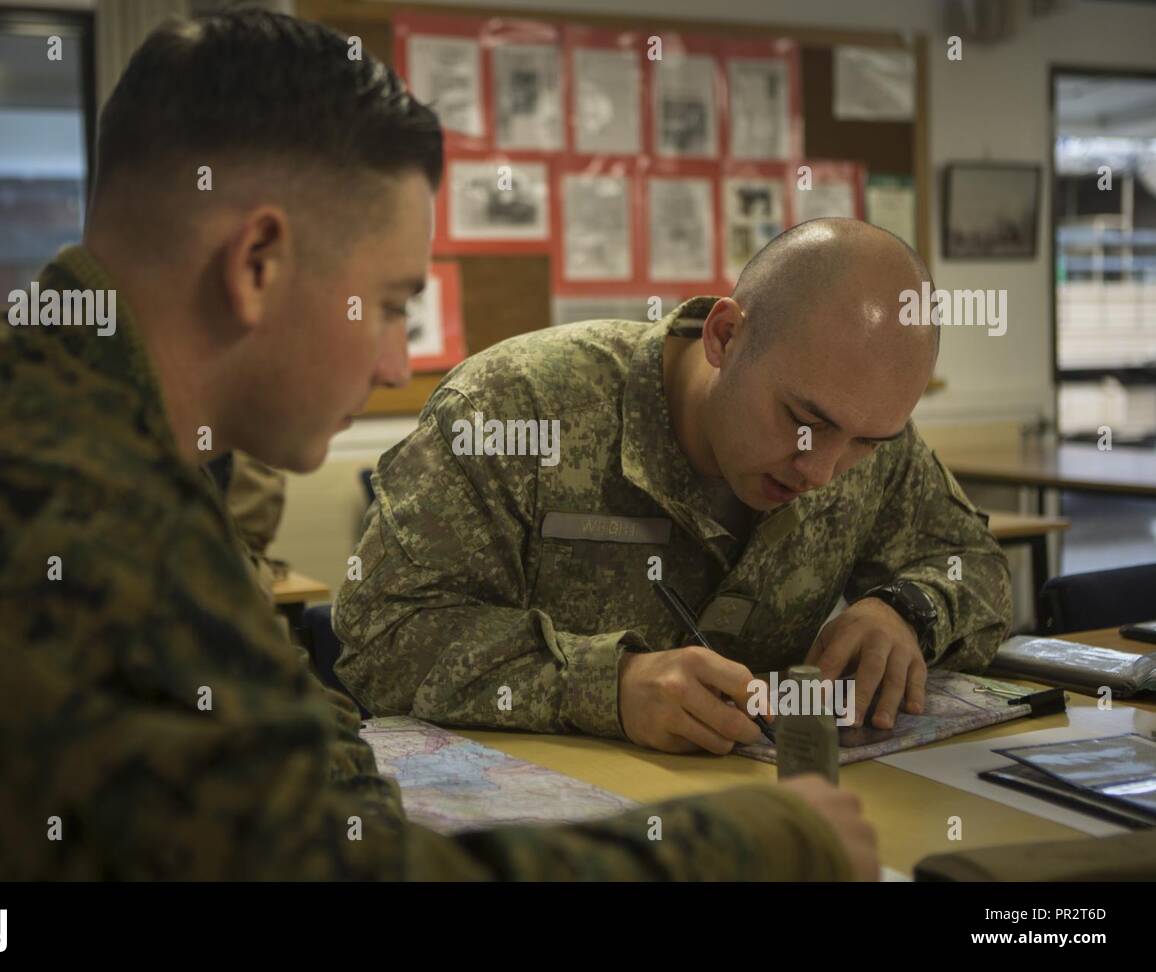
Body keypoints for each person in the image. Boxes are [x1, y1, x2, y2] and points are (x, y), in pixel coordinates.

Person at [0, 9, 875, 880]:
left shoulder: (39, 402)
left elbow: (270, 737)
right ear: (257, 261)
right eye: (391, 304)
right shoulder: (46, 482)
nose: (396, 364)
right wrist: (758, 845)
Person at [334, 219, 1013, 756]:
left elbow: (978, 567)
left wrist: (906, 610)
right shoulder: (514, 407)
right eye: (804, 422)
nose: (821, 470)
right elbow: (385, 638)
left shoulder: (861, 428)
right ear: (725, 335)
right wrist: (610, 686)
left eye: (867, 442)